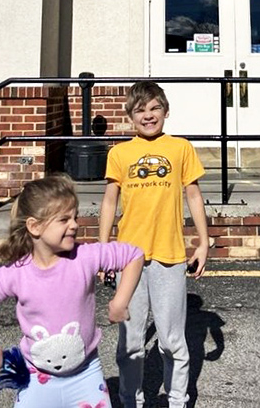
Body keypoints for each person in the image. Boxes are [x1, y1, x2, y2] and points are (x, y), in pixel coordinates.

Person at [0, 173, 144, 407]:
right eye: (64, 219)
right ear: (34, 226)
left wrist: (120, 301)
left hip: (85, 375)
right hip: (36, 379)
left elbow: (133, 255)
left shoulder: (85, 257)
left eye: (74, 217)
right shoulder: (16, 273)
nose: (74, 225)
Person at [99, 81, 210, 408]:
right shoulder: (119, 153)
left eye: (154, 108)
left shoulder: (180, 148)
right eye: (140, 110)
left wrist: (203, 242)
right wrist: (103, 249)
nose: (148, 115)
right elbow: (109, 202)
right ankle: (129, 401)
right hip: (127, 259)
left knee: (172, 341)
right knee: (131, 344)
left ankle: (177, 401)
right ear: (130, 116)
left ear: (165, 111)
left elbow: (193, 195)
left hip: (169, 257)